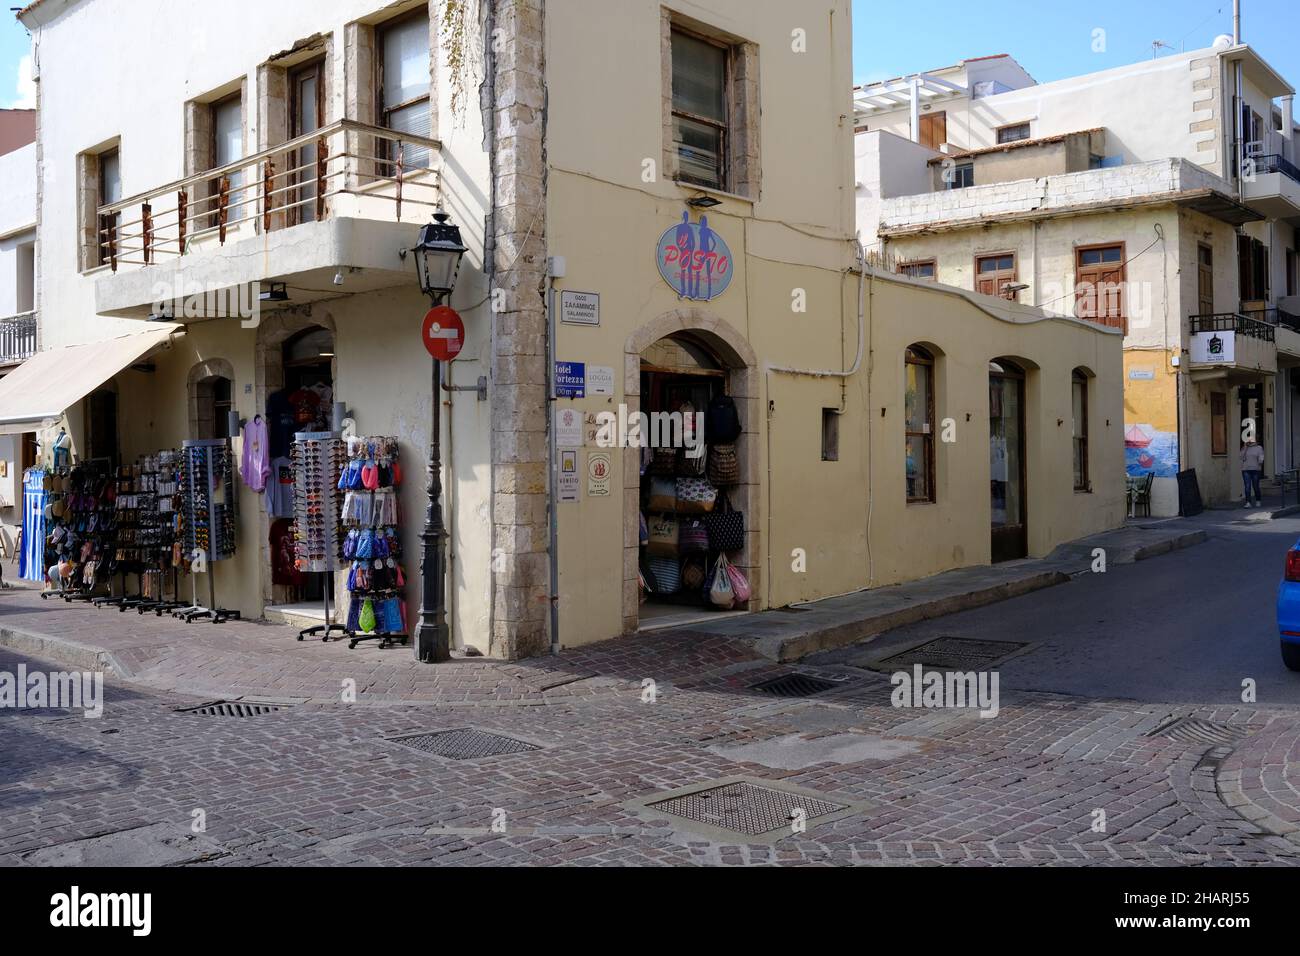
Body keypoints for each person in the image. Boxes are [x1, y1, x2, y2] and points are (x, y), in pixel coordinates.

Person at [1241, 437, 1265, 507]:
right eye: (1248, 440)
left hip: (1255, 469)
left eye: (1251, 440)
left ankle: (1258, 500)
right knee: (1247, 486)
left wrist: (1260, 462)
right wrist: (1245, 447)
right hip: (1246, 469)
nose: (1250, 441)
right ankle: (1248, 502)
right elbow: (1241, 457)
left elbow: (1261, 457)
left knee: (1255, 486)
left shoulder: (1259, 448)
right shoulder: (1245, 448)